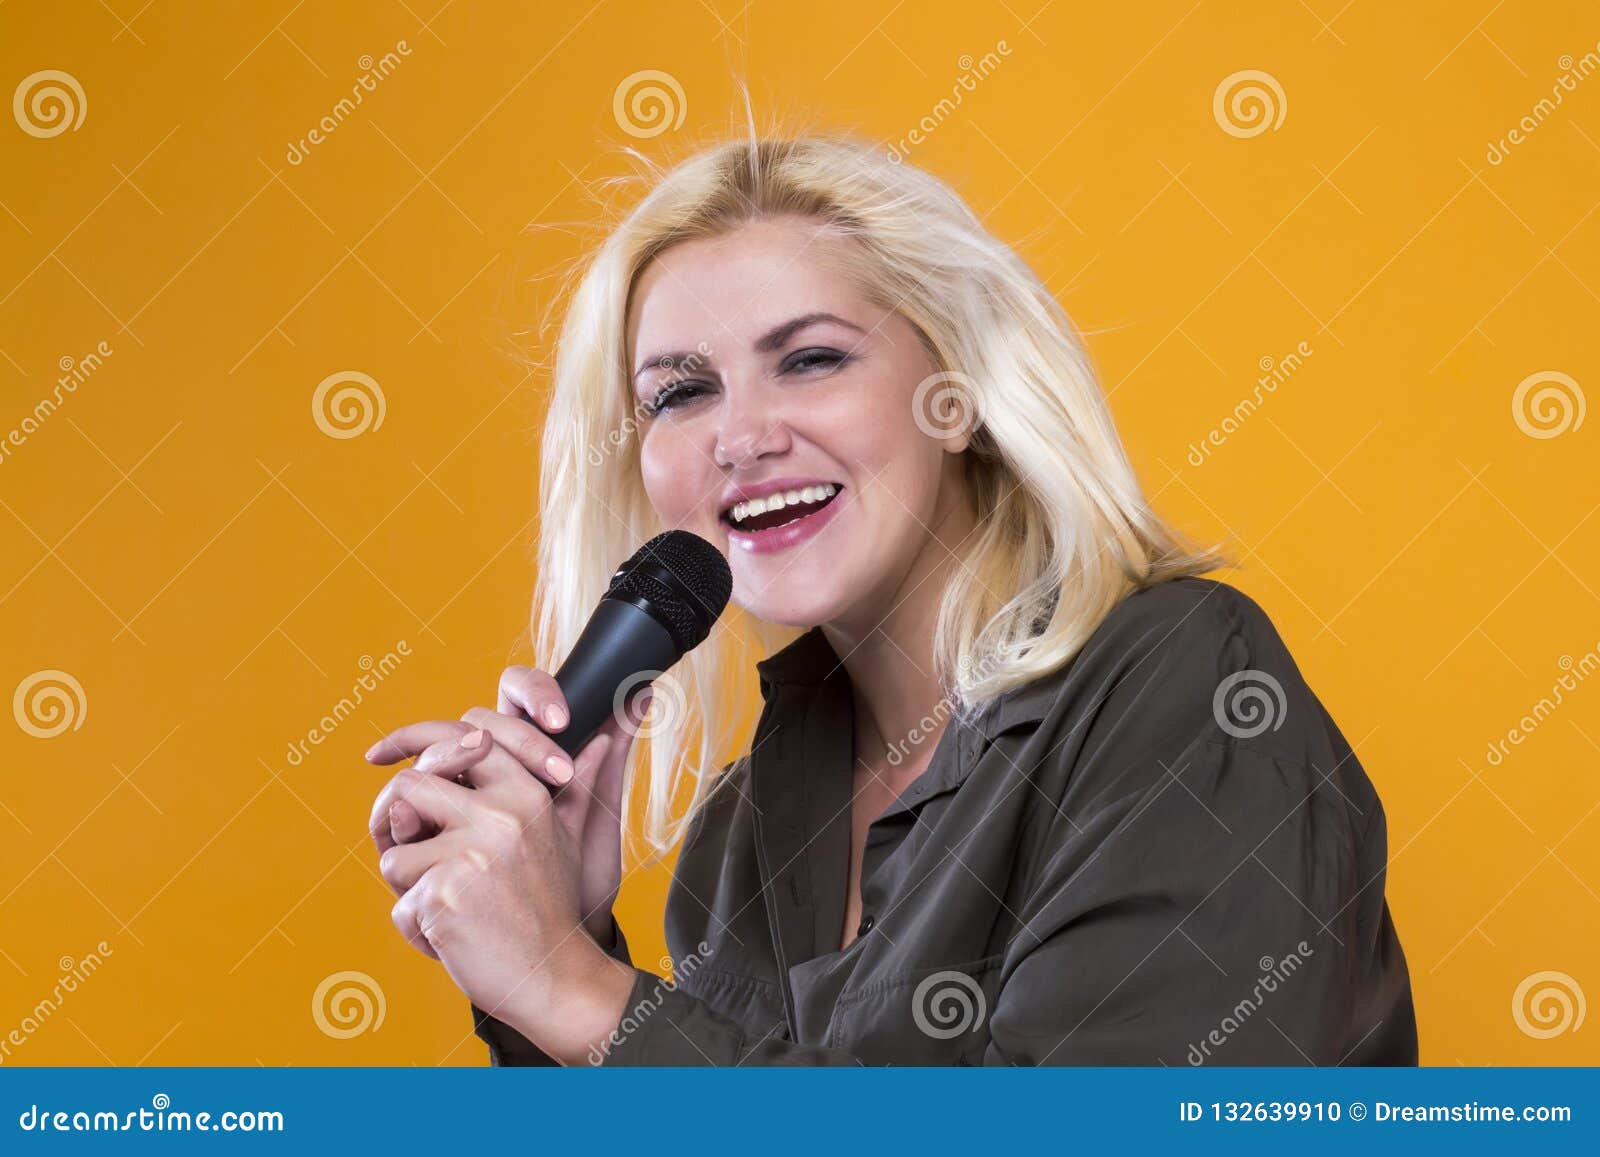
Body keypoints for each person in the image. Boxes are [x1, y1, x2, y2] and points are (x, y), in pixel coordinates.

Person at [364, 133, 1418, 1066]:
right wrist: (557, 945)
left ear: (957, 396)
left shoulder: (1184, 685)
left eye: (811, 358)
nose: (740, 437)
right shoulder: (749, 829)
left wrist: (578, 991)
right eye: (681, 392)